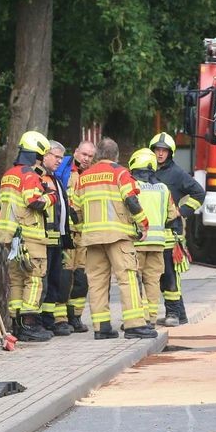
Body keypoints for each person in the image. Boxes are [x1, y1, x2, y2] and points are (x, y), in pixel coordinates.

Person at [70, 137, 156, 340]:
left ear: (98, 155)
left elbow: (75, 210)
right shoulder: (120, 173)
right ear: (116, 155)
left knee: (97, 283)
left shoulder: (84, 177)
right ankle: (135, 325)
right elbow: (131, 200)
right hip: (118, 236)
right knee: (127, 278)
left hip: (92, 239)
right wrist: (143, 223)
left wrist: (83, 230)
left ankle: (102, 328)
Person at [0, 130, 56, 342]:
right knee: (35, 280)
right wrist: (51, 197)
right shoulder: (29, 175)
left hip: (11, 238)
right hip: (29, 237)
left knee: (17, 282)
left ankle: (17, 324)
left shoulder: (9, 174)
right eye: (42, 155)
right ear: (36, 153)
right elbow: (34, 202)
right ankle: (29, 324)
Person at [149, 132, 205, 326]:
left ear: (170, 153)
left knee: (170, 275)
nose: (160, 154)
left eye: (164, 150)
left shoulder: (177, 173)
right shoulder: (148, 170)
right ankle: (179, 315)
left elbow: (199, 193)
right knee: (155, 276)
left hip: (169, 233)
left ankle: (173, 314)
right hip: (151, 233)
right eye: (157, 149)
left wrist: (181, 211)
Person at [128, 148, 178, 323]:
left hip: (137, 243)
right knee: (153, 281)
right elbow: (172, 215)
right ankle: (152, 317)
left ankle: (140, 318)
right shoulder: (163, 189)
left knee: (135, 281)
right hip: (158, 244)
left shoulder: (133, 187)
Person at [53, 140, 95, 333]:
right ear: (76, 152)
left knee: (81, 278)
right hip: (67, 233)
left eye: (90, 156)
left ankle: (75, 317)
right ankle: (59, 318)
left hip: (84, 234)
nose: (86, 158)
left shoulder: (91, 176)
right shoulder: (63, 171)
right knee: (64, 277)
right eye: (84, 154)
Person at [36, 141, 74, 336]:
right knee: (42, 282)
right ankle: (40, 321)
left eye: (61, 157)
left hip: (56, 239)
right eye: (56, 156)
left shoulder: (55, 179)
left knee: (54, 281)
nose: (60, 161)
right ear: (45, 155)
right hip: (43, 238)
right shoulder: (39, 178)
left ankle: (50, 321)